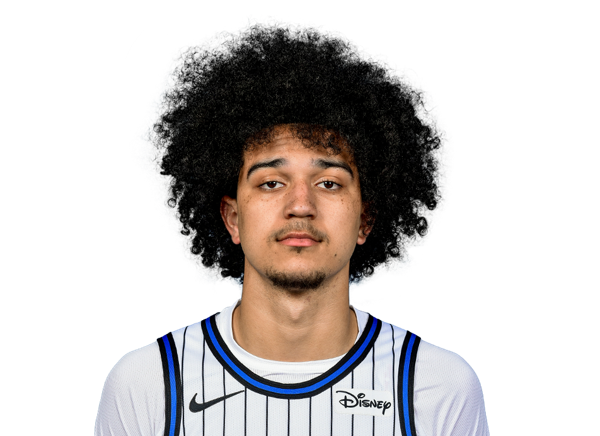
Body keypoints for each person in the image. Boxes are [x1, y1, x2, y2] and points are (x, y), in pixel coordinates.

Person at [95, 18, 489, 436]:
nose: (301, 205)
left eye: (329, 183)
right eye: (271, 183)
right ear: (233, 218)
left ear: (365, 220)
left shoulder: (438, 387)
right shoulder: (147, 384)